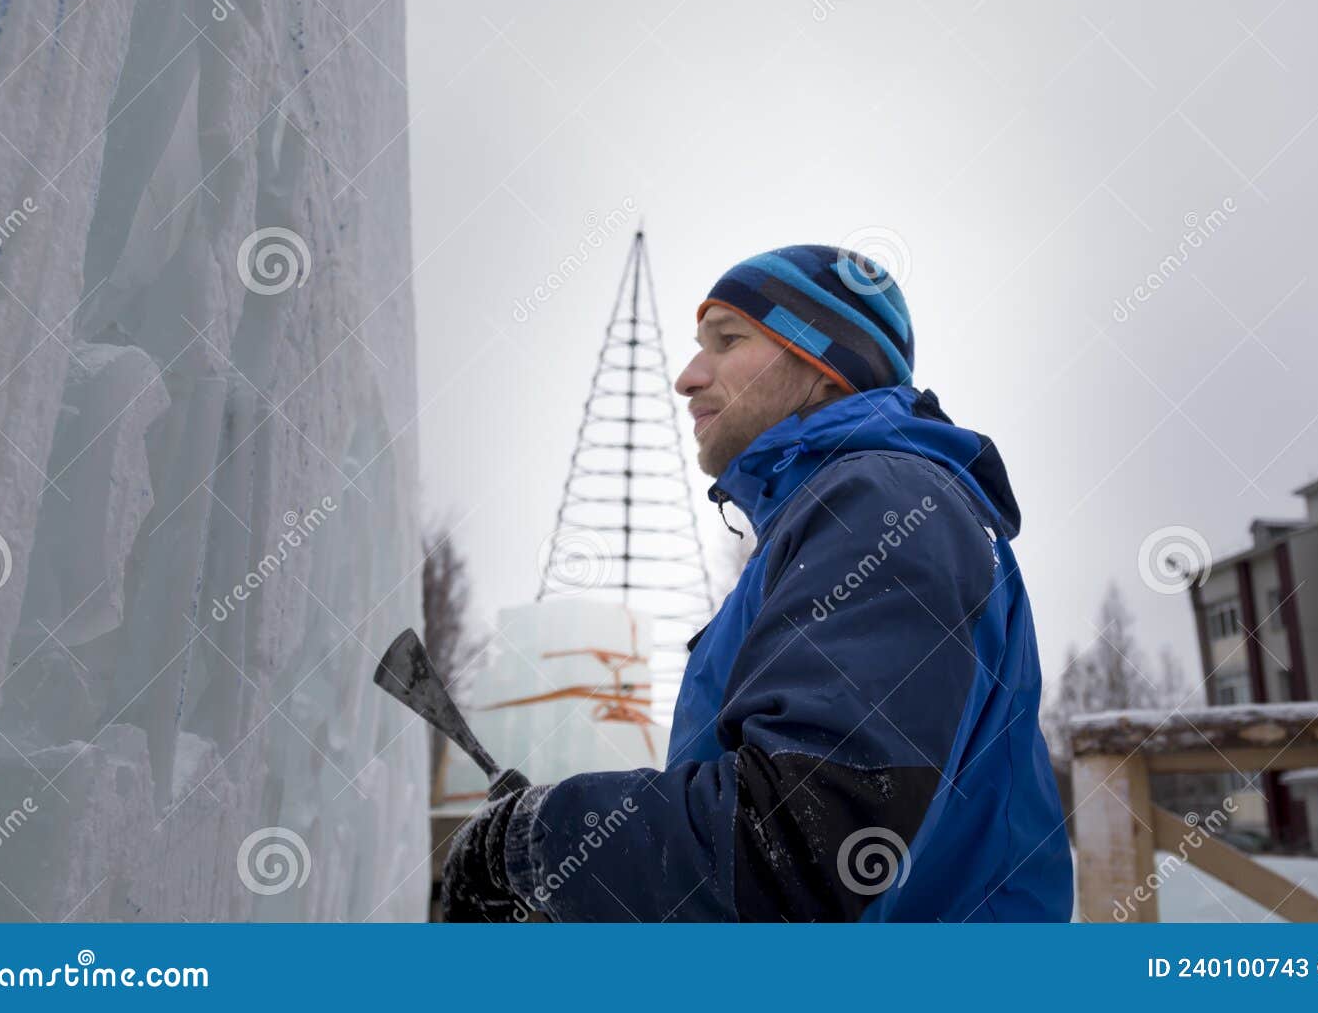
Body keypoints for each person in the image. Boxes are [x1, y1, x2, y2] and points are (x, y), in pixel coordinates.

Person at [441, 244, 1073, 921]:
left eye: (727, 340)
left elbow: (798, 843)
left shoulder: (883, 505)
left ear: (824, 363)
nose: (687, 377)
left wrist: (538, 840)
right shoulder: (826, 523)